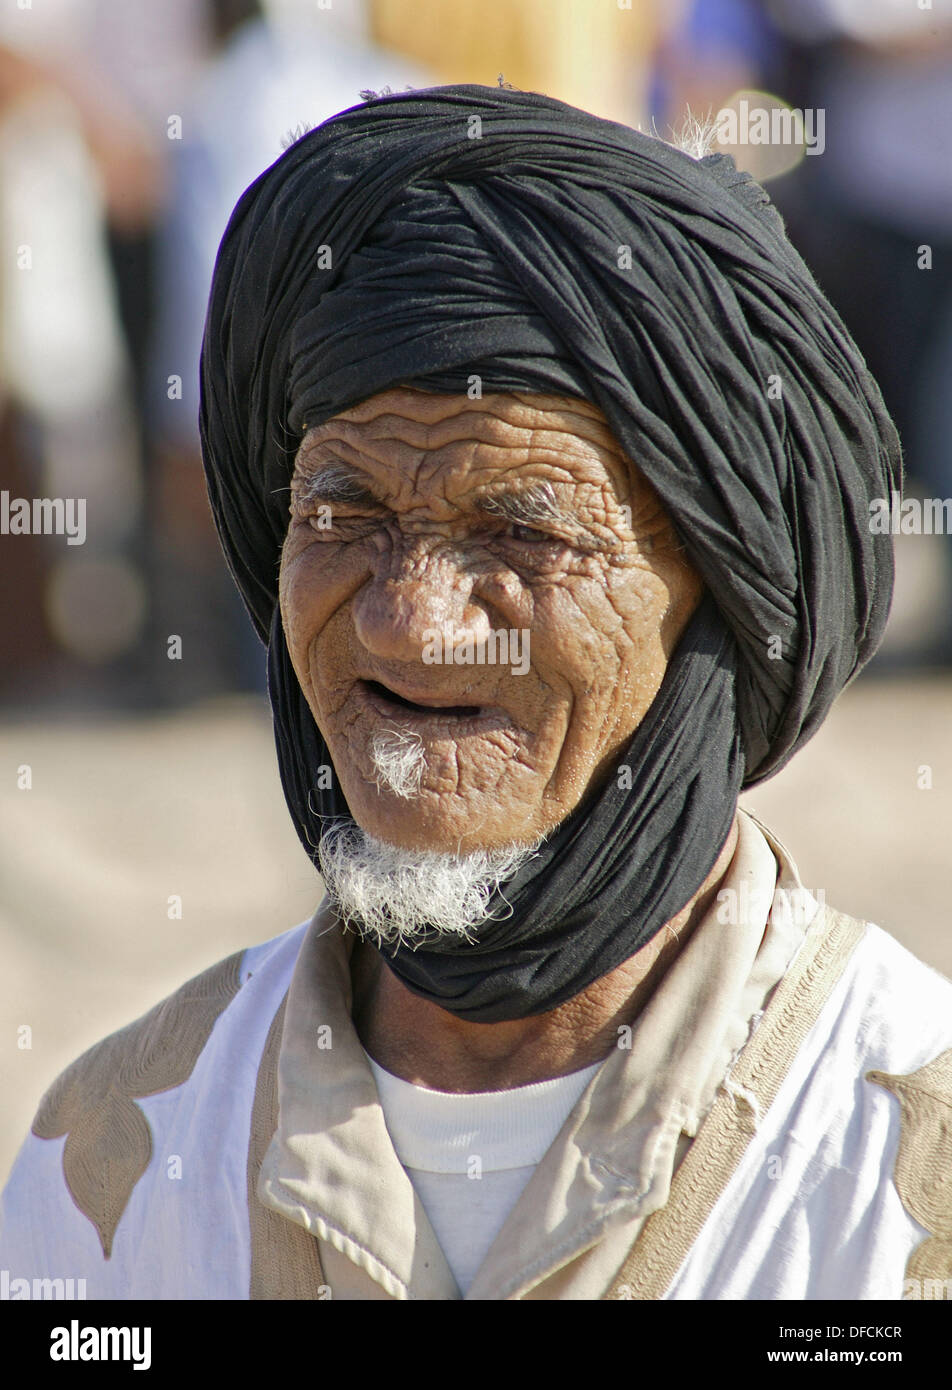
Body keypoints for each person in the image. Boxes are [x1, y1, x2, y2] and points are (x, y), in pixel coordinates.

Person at [2, 84, 950, 1302]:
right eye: (343, 513)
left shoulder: (899, 1168)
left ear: (716, 584)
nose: (408, 619)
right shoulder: (111, 1163)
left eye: (520, 530)